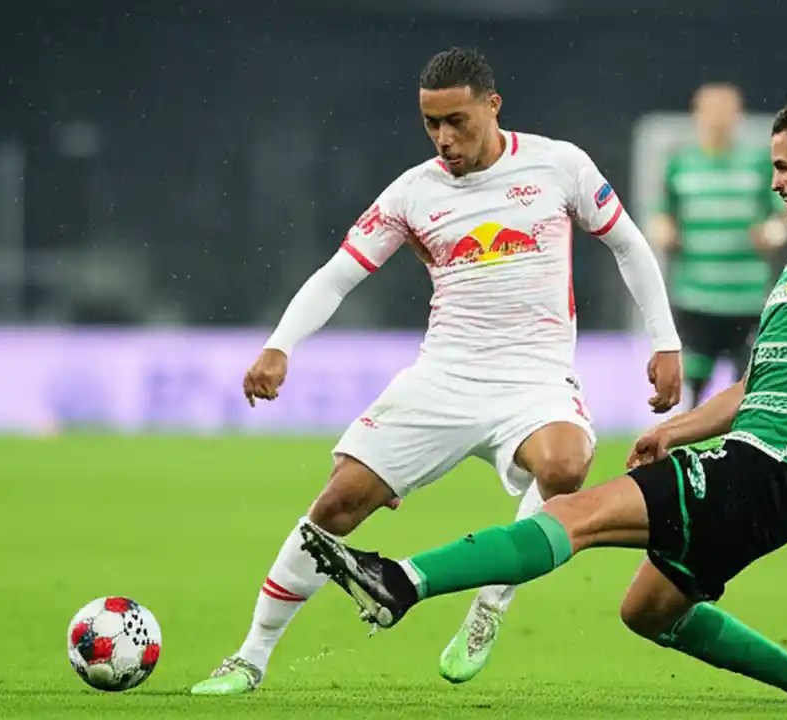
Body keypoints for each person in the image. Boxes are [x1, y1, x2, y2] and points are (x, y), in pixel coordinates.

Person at [299, 97, 787, 703]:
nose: (774, 184)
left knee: (575, 515)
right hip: (771, 473)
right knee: (648, 609)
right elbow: (754, 389)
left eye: (782, 167)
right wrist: (679, 430)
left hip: (771, 469)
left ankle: (401, 581)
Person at [189, 47, 683, 695]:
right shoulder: (412, 193)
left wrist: (664, 339)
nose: (445, 138)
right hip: (444, 379)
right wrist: (281, 345)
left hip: (535, 380)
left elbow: (628, 244)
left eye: (458, 120)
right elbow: (341, 273)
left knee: (565, 464)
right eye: (432, 124)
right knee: (338, 504)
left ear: (492, 105)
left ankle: (488, 609)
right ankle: (250, 656)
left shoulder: (559, 165)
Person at [650, 82, 787, 408]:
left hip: (748, 295)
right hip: (697, 293)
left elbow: (782, 212)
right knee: (694, 383)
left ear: (737, 115)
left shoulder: (757, 163)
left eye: (725, 111)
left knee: (748, 383)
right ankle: (688, 442)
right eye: (710, 111)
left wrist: (774, 230)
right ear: (697, 115)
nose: (717, 119)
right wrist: (663, 231)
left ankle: (740, 447)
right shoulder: (681, 164)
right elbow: (662, 215)